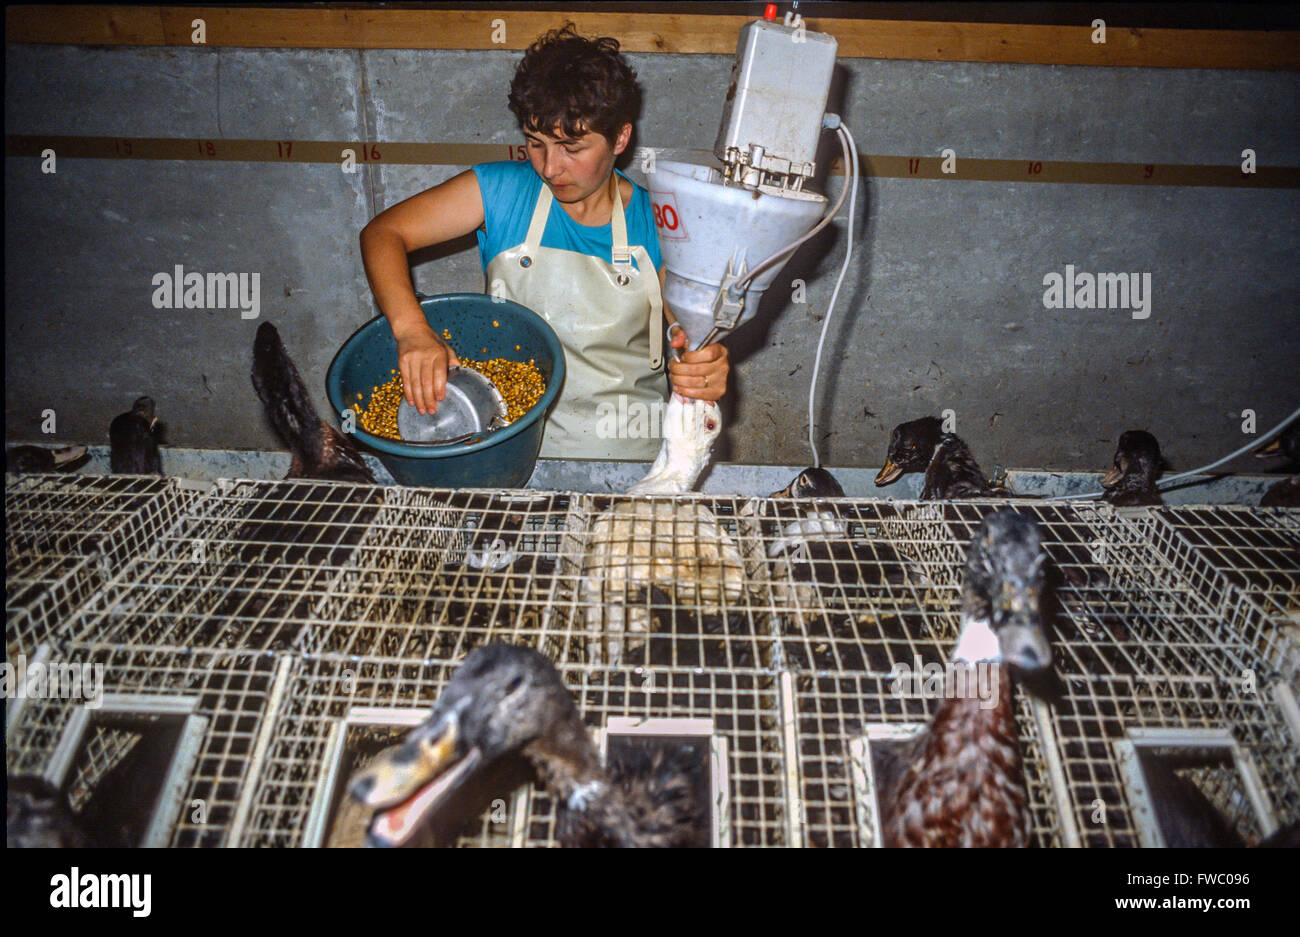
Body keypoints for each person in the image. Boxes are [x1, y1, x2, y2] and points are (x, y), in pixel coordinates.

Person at [360, 24, 729, 460]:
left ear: (621, 138)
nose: (550, 167)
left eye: (571, 147)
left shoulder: (659, 223)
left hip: (629, 462)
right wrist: (411, 329)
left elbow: (689, 335)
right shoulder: (500, 192)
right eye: (536, 143)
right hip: (506, 451)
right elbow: (383, 234)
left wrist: (705, 366)